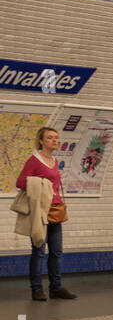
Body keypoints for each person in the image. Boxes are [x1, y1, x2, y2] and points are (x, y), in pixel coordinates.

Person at [15, 126, 76, 300]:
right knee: (38, 251)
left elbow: (55, 186)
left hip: (55, 211)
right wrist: (42, 186)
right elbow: (21, 182)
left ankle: (56, 288)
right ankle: (36, 289)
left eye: (56, 137)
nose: (54, 140)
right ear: (41, 141)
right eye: (50, 138)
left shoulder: (55, 161)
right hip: (40, 212)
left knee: (56, 251)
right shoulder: (34, 161)